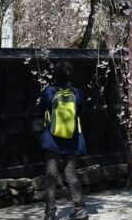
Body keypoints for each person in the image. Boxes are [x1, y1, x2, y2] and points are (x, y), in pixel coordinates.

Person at [39, 61, 88, 220]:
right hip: (73, 139)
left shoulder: (49, 92)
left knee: (51, 176)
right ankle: (80, 210)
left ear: (55, 75)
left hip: (52, 140)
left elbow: (42, 108)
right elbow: (81, 111)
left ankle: (50, 213)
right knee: (70, 175)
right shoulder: (77, 93)